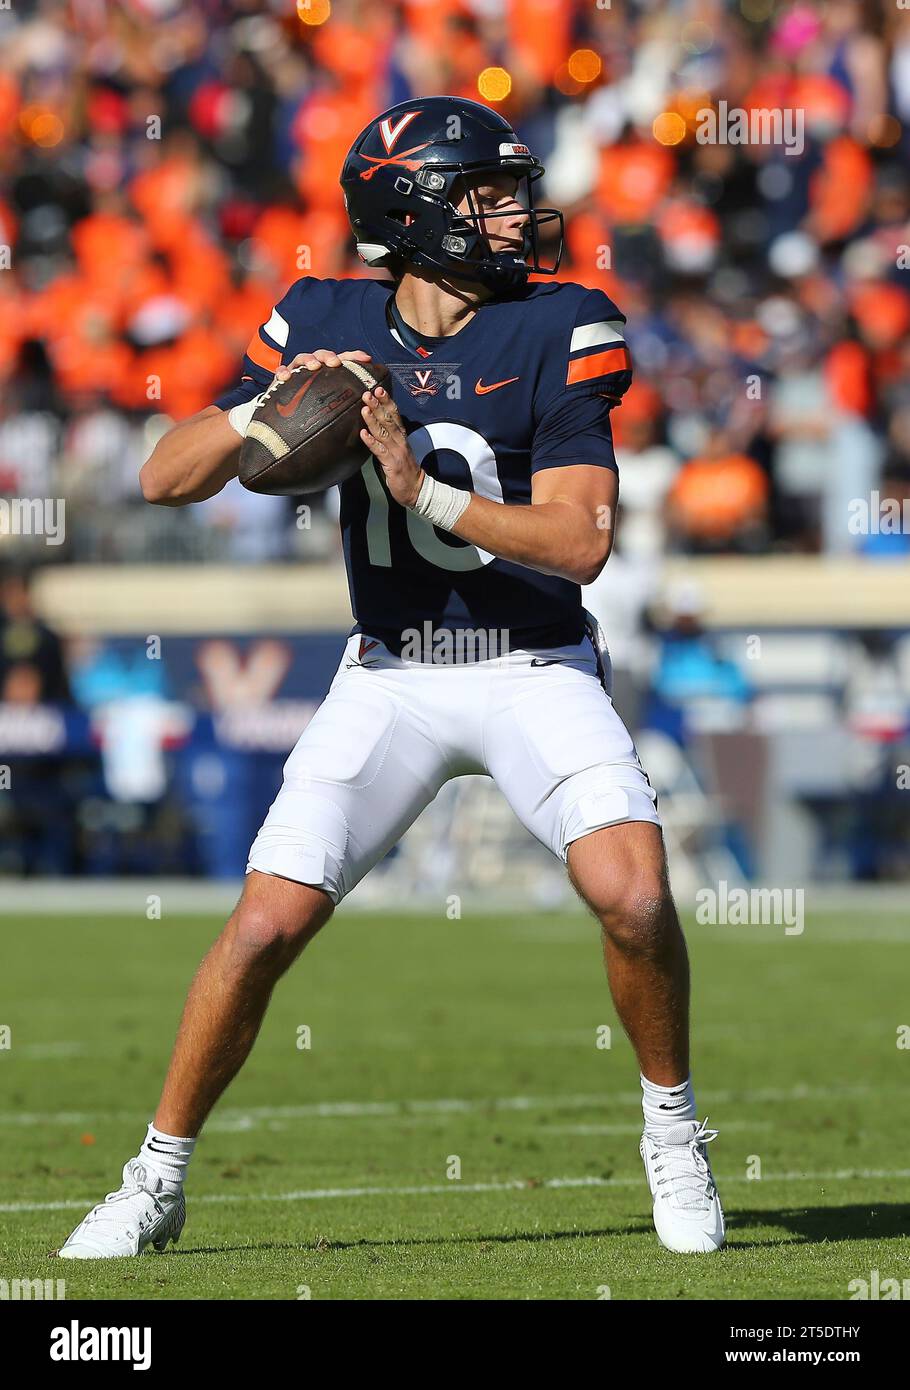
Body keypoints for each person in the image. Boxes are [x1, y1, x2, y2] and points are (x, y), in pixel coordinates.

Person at [59, 97, 724, 1260]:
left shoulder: (560, 323)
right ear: (411, 210)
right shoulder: (319, 316)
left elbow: (579, 546)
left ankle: (672, 1129)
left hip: (531, 661)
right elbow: (167, 478)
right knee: (264, 927)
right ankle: (154, 1179)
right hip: (391, 673)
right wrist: (268, 407)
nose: (517, 213)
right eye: (486, 194)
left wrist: (426, 493)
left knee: (631, 891)